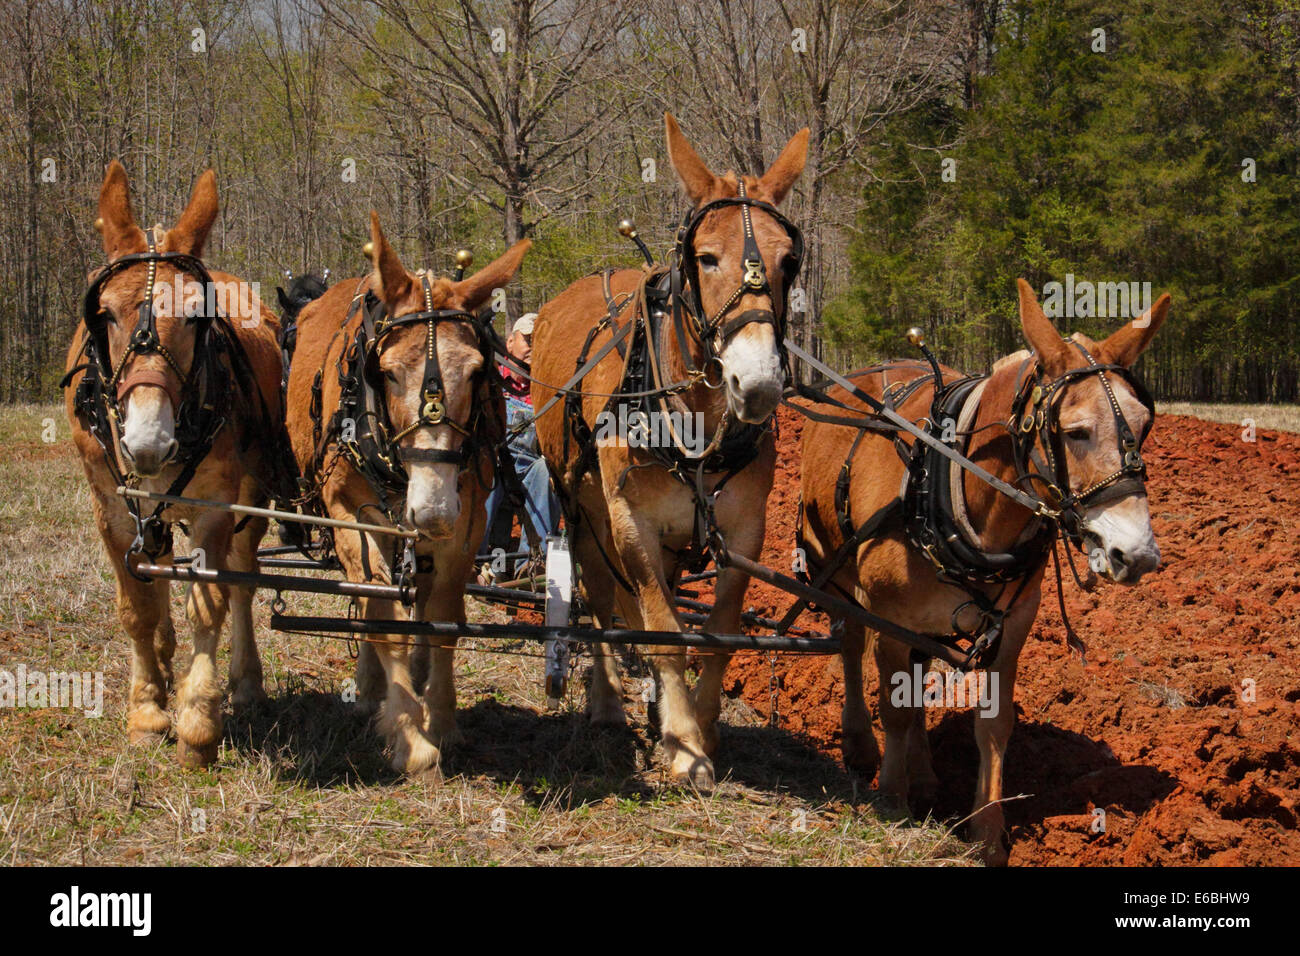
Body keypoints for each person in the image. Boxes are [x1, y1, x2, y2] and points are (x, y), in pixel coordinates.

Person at [480, 312, 560, 581]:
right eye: (528, 340)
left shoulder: (547, 389)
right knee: (485, 469)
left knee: (546, 470)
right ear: (511, 342)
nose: (533, 348)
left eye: (541, 342)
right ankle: (472, 559)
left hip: (528, 468)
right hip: (492, 462)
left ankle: (533, 563)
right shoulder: (489, 380)